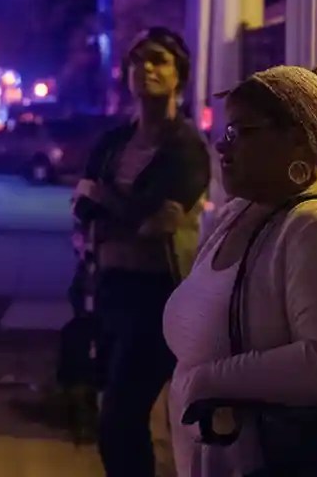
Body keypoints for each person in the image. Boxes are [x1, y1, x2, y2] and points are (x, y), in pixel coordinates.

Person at [165, 65, 317, 477]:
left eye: (240, 131)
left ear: (296, 141)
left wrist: (208, 380)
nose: (222, 145)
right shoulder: (243, 213)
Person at [73, 26, 211, 477]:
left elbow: (159, 224)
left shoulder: (187, 147)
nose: (145, 68)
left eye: (157, 60)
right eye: (136, 60)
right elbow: (83, 209)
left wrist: (108, 204)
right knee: (110, 413)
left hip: (159, 295)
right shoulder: (112, 143)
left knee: (122, 415)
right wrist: (123, 213)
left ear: (179, 75)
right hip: (109, 287)